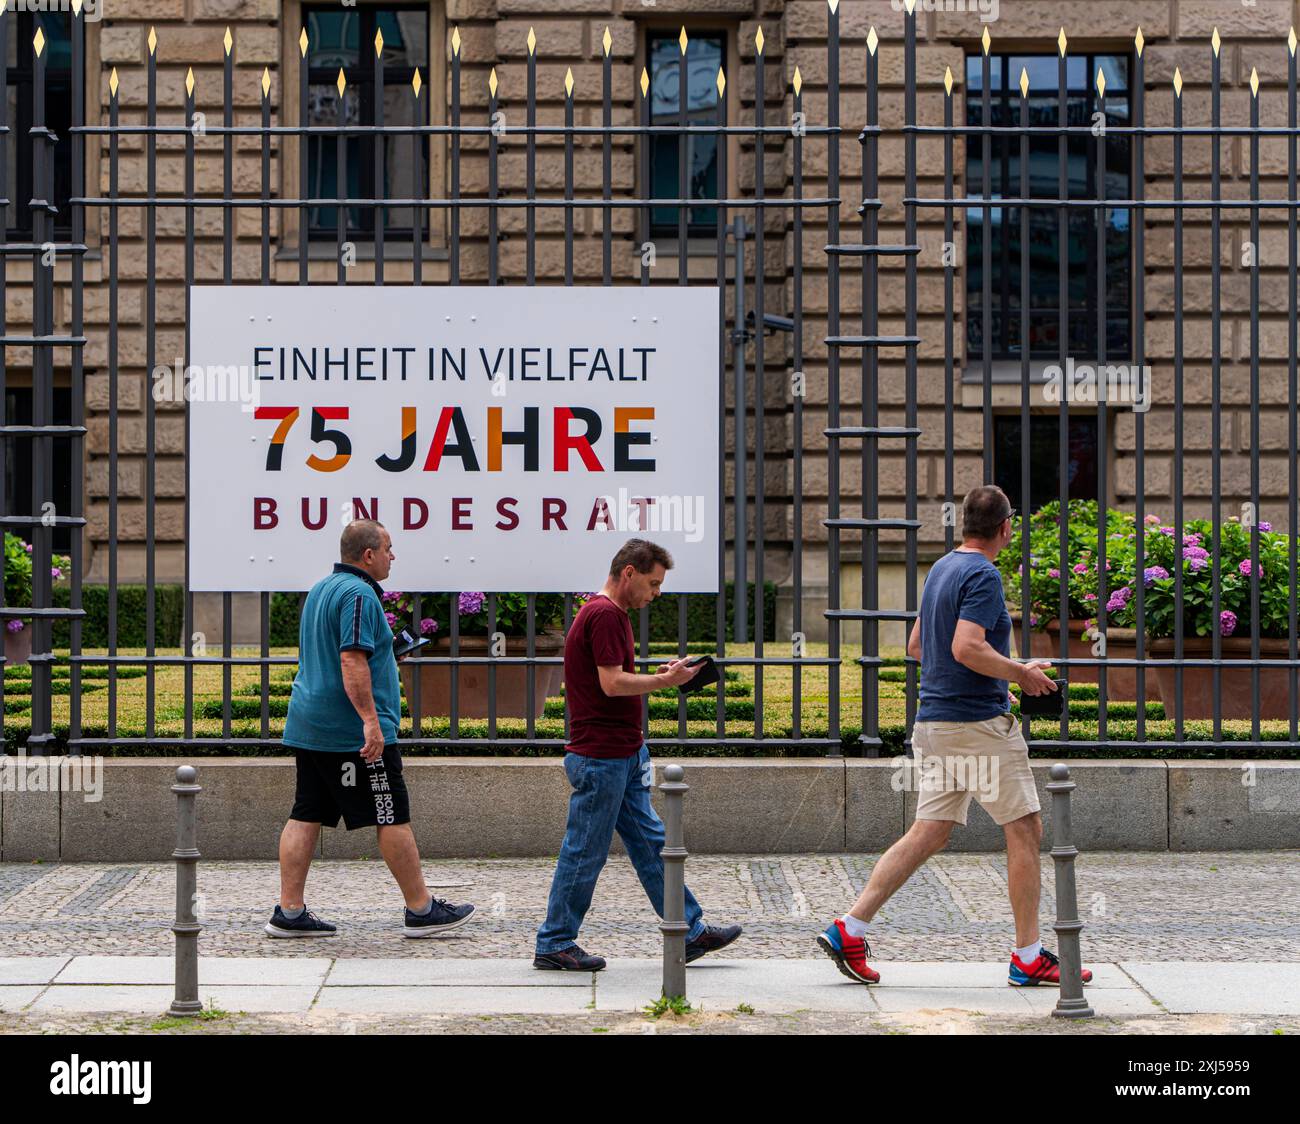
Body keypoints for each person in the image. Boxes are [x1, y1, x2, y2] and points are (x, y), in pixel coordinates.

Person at [817, 485, 1092, 988]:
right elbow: (966, 647)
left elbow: (919, 645)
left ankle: (849, 928)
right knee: (1025, 829)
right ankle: (1028, 956)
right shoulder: (984, 574)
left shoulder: (942, 568)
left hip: (935, 722)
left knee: (930, 831)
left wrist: (993, 678)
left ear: (964, 522)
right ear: (1006, 527)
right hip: (975, 728)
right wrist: (1019, 674)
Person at [533, 538, 742, 971]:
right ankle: (554, 941)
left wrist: (658, 676)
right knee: (585, 850)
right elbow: (612, 684)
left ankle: (689, 929)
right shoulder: (605, 614)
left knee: (653, 844)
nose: (657, 593)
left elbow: (615, 678)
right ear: (629, 573)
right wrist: (665, 682)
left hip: (622, 753)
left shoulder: (610, 614)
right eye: (653, 583)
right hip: (602, 756)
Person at [266, 519, 475, 939]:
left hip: (310, 724)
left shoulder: (322, 589)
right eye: (388, 548)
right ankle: (421, 909)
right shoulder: (360, 594)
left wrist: (387, 653)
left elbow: (342, 653)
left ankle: (289, 912)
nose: (392, 557)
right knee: (391, 812)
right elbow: (351, 659)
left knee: (306, 812)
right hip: (351, 733)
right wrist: (371, 723)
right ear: (368, 555)